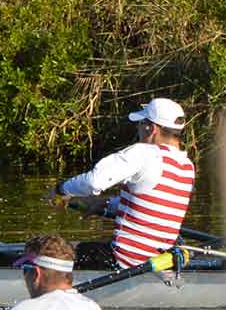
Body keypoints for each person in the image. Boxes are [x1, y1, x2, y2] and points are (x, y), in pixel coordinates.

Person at [49, 98, 195, 270]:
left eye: (140, 123)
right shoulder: (187, 166)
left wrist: (61, 189)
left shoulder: (145, 153)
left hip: (124, 262)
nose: (138, 128)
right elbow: (151, 206)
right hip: (160, 263)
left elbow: (93, 182)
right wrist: (104, 205)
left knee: (50, 252)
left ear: (151, 128)